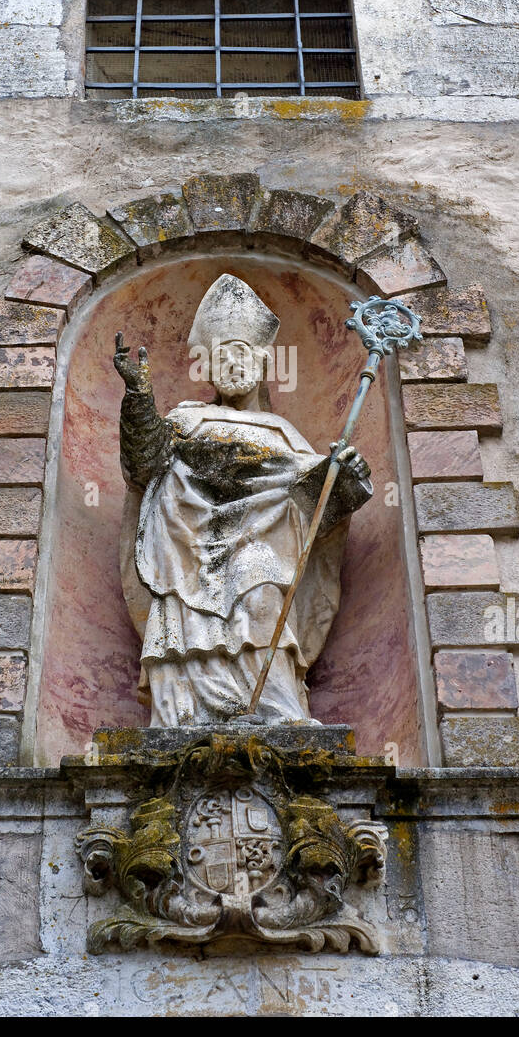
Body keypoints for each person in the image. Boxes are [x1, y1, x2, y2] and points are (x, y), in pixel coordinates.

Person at [115, 273, 372, 727]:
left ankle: (277, 710)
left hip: (260, 545)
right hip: (187, 550)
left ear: (260, 361)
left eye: (241, 353)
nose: (232, 364)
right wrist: (138, 396)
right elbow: (145, 464)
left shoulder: (284, 434)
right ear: (208, 368)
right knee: (186, 616)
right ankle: (185, 714)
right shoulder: (187, 419)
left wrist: (342, 476)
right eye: (221, 356)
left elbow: (311, 503)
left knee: (261, 590)